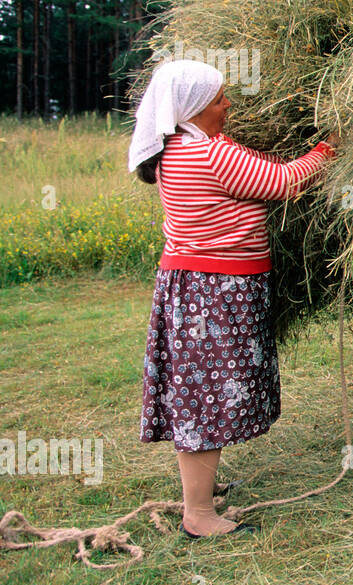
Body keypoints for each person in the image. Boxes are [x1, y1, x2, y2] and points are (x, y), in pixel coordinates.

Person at [129, 59, 338, 538]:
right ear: (196, 106)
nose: (228, 105)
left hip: (194, 287)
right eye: (221, 98)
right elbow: (284, 181)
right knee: (205, 399)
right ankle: (198, 515)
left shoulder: (178, 150)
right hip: (215, 292)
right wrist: (328, 148)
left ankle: (201, 495)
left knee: (201, 394)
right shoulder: (209, 156)